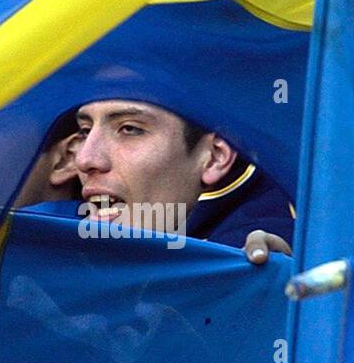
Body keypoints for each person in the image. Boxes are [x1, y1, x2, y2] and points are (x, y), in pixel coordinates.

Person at [71, 99, 292, 264]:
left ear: (215, 157)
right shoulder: (59, 242)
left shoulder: (272, 253)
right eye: (85, 131)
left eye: (130, 129)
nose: (84, 160)